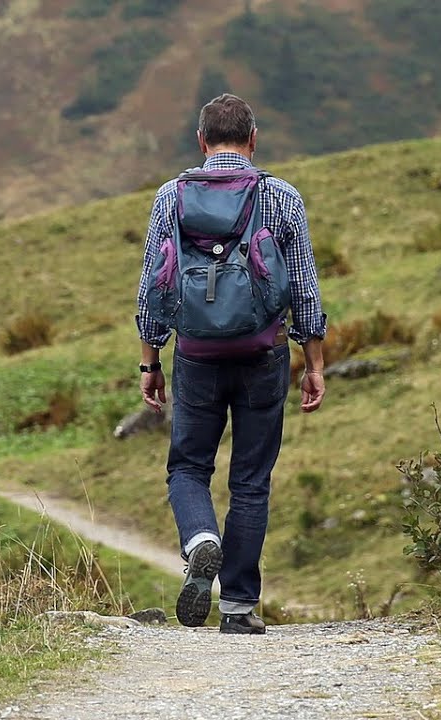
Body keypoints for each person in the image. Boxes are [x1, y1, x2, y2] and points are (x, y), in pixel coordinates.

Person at [134, 93, 328, 634]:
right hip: (263, 353)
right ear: (253, 139)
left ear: (201, 141)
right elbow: (305, 289)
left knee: (188, 467)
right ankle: (238, 606)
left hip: (196, 355)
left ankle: (201, 538)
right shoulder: (281, 197)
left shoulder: (170, 197)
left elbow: (152, 286)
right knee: (250, 480)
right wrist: (314, 362)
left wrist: (150, 362)